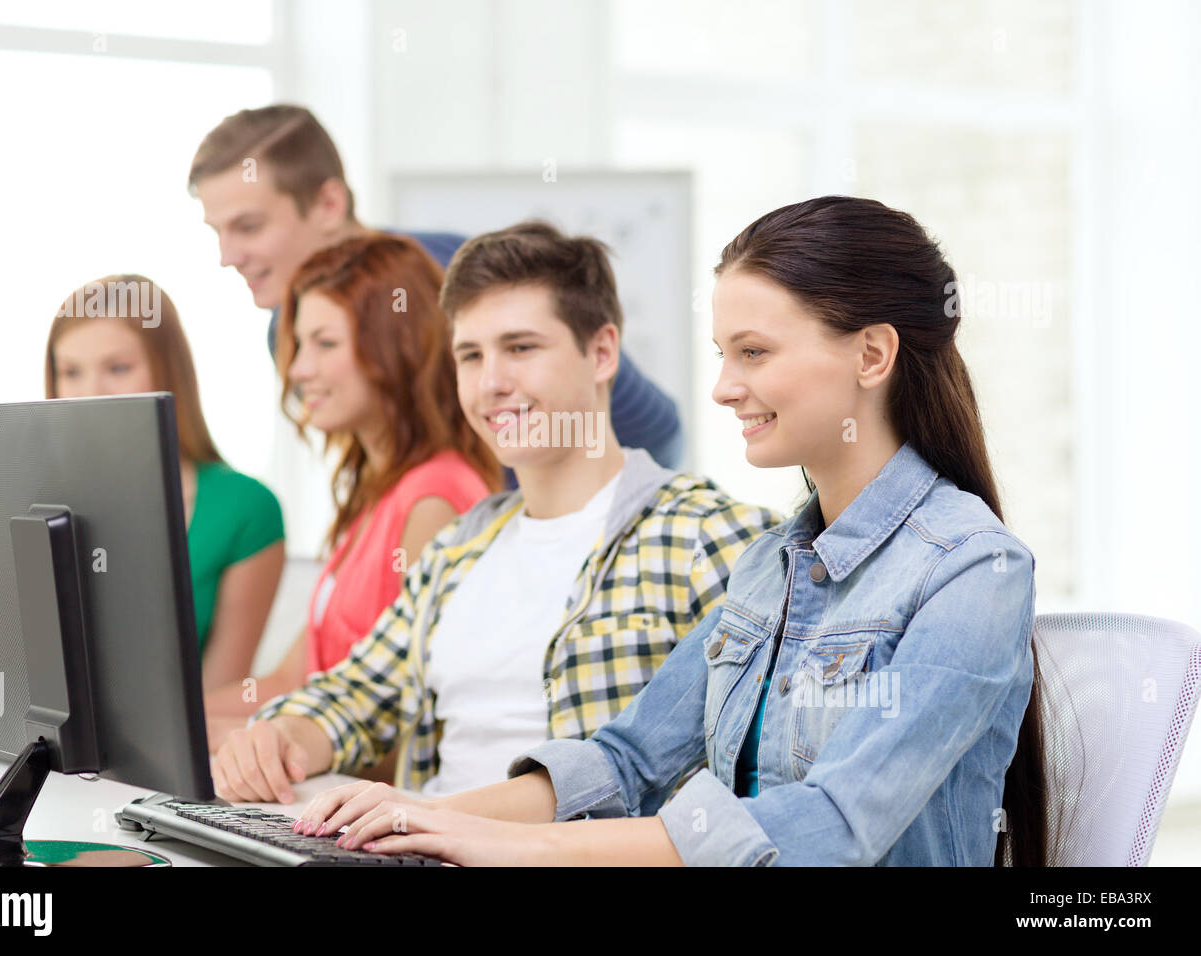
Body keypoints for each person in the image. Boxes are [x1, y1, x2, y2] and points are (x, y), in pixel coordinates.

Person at [289, 197, 1049, 868]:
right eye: (724, 355)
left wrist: (510, 848)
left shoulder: (973, 569)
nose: (722, 387)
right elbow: (623, 762)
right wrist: (420, 816)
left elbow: (832, 824)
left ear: (872, 354)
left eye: (753, 352)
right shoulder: (771, 566)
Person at [210, 221, 779, 803]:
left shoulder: (709, 536)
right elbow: (355, 695)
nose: (491, 383)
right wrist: (280, 738)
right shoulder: (459, 548)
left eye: (521, 348)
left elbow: (763, 787)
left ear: (602, 352)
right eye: (470, 355)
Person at [186, 103, 685, 470]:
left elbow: (652, 425)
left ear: (328, 204)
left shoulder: (449, 276)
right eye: (218, 233)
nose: (228, 257)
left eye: (248, 227)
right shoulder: (285, 333)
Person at [0, 275, 286, 716]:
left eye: (118, 368)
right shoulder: (11, 500)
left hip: (153, 779)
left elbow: (214, 704)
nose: (89, 393)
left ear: (168, 370)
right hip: (31, 768)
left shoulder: (244, 509)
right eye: (71, 372)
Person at [203, 234, 502, 737]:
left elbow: (395, 726)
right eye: (301, 344)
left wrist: (214, 739)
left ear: (396, 344)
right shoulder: (380, 494)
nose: (299, 369)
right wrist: (164, 723)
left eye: (325, 343)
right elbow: (287, 682)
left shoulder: (434, 501)